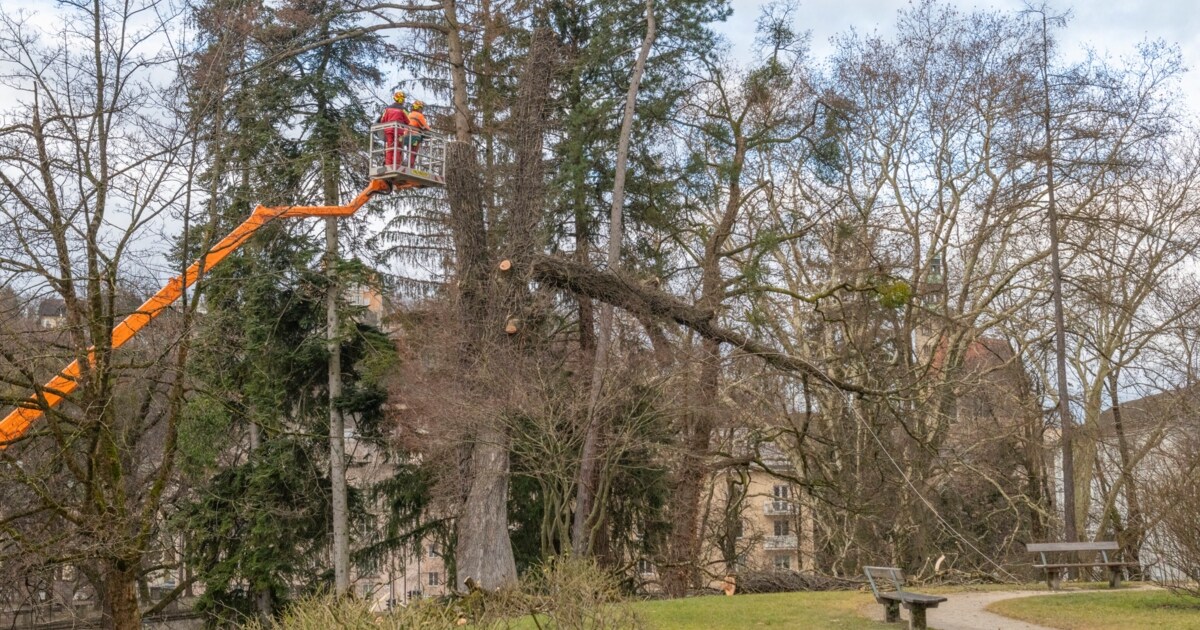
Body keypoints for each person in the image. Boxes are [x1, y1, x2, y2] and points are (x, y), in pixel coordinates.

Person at [379, 91, 409, 169]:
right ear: (400, 100)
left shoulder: (387, 109)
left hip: (388, 131)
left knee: (389, 147)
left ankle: (388, 164)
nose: (404, 101)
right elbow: (409, 120)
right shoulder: (403, 109)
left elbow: (382, 120)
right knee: (398, 148)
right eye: (403, 99)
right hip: (399, 132)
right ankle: (396, 165)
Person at [405, 100, 430, 167]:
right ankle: (410, 165)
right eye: (421, 108)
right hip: (415, 136)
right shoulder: (419, 115)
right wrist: (429, 131)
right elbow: (425, 127)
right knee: (413, 152)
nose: (422, 110)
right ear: (419, 108)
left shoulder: (409, 114)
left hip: (406, 134)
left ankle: (408, 163)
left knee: (409, 150)